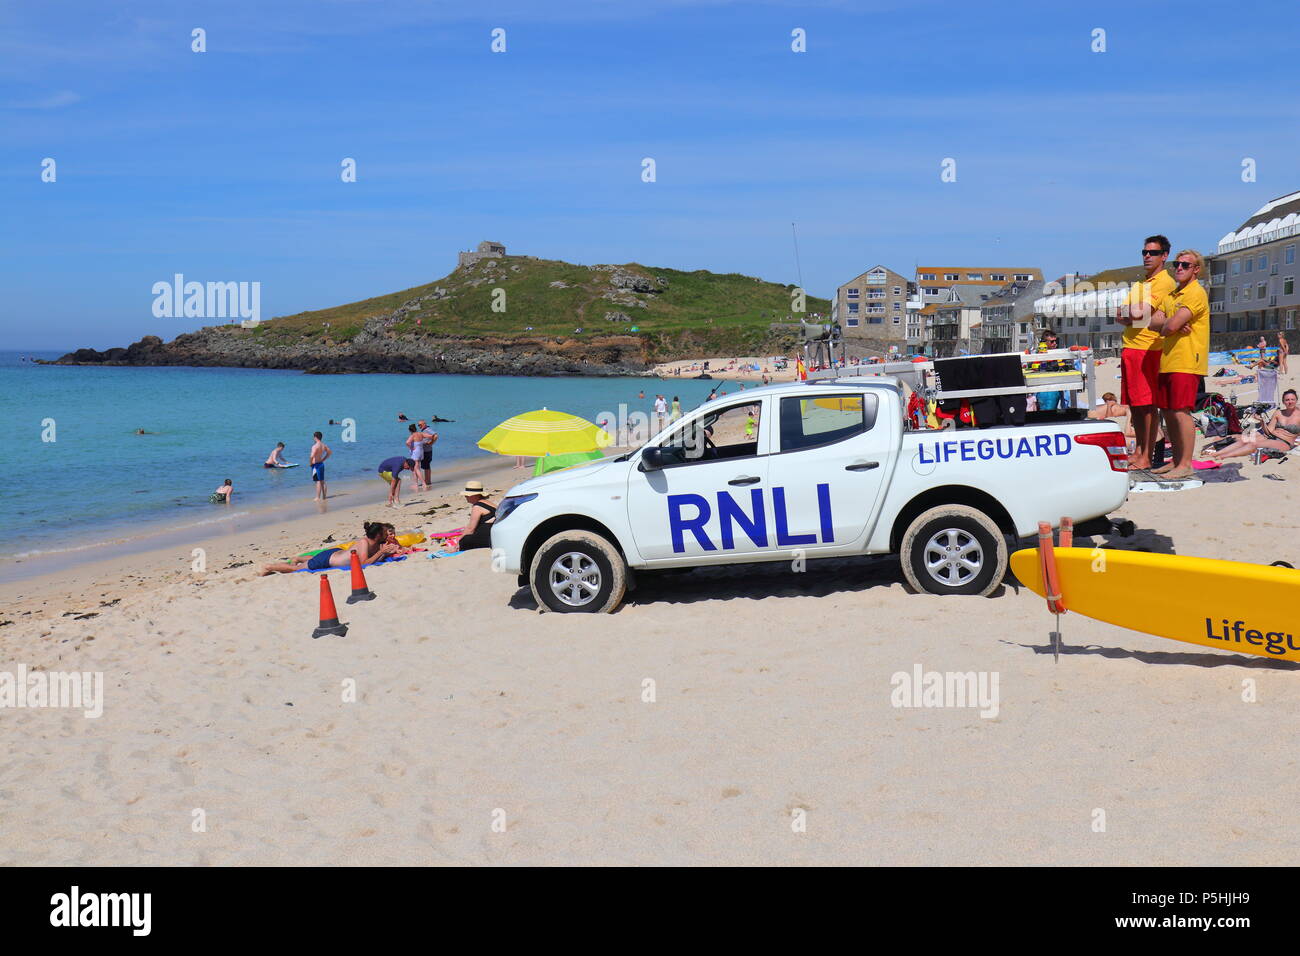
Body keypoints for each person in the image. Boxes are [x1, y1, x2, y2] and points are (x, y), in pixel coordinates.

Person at [1146, 249, 1210, 479]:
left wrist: (1168, 325)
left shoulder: (1196, 292)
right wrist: (1169, 324)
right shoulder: (1173, 294)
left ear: (1196, 269)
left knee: (1182, 412)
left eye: (1185, 265)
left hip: (1187, 360)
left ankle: (1185, 463)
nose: (1179, 268)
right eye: (1177, 264)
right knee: (1168, 412)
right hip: (1169, 360)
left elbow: (1168, 326)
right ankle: (1175, 460)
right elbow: (1151, 321)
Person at [1115, 235, 1176, 470]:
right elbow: (1120, 314)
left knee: (1148, 406)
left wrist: (1134, 315)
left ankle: (1146, 456)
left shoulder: (1163, 282)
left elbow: (1139, 314)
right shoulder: (1141, 284)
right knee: (1136, 407)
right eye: (1144, 252)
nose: (1147, 256)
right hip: (1131, 347)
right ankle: (1140, 450)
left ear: (1164, 256)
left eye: (1152, 252)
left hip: (1148, 349)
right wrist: (1134, 314)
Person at [260, 521, 399, 575]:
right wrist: (382, 552)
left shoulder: (376, 544)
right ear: (378, 535)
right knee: (297, 569)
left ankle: (298, 558)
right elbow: (363, 563)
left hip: (335, 554)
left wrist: (387, 552)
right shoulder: (364, 542)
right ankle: (269, 567)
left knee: (310, 560)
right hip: (328, 560)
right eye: (384, 532)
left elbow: (379, 555)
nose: (387, 534)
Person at [1204, 389, 1300, 461]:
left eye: (1292, 399)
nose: (1290, 402)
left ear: (1296, 400)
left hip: (1284, 442)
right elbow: (1268, 432)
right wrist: (1262, 421)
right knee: (1245, 440)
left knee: (1254, 444)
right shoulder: (1278, 413)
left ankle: (1224, 456)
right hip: (1271, 437)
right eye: (1287, 400)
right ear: (1283, 401)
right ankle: (1217, 453)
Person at [441, 481, 497, 552]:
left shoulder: (477, 507)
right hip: (494, 532)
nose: (465, 497)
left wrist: (459, 541)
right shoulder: (487, 502)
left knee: (465, 541)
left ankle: (456, 548)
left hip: (489, 536)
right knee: (465, 534)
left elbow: (471, 529)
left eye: (467, 495)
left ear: (474, 495)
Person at [405, 425, 428, 491]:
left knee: (416, 468)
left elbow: (407, 442)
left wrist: (411, 448)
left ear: (409, 430)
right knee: (414, 469)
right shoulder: (420, 434)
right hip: (420, 452)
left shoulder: (413, 435)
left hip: (415, 453)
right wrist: (429, 442)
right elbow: (430, 436)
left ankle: (423, 483)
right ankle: (416, 484)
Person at [309, 431, 331, 501]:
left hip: (316, 465)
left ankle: (318, 497)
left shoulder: (315, 446)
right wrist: (323, 459)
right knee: (322, 481)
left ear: (315, 437)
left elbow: (312, 456)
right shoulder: (323, 445)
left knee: (318, 481)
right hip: (321, 464)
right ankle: (324, 496)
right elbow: (329, 452)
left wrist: (310, 463)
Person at [416, 420, 438, 486]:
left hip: (427, 451)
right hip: (426, 451)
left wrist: (431, 443)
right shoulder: (424, 430)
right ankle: (427, 480)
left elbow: (436, 436)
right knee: (426, 466)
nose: (419, 426)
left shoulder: (427, 429)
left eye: (420, 424)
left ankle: (427, 481)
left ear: (424, 424)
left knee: (426, 466)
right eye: (418, 425)